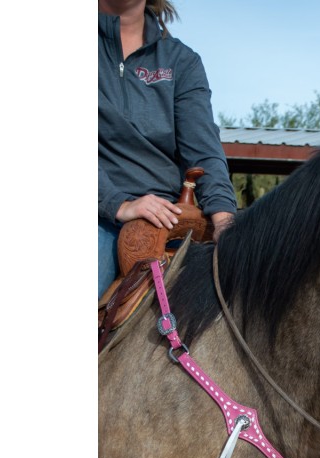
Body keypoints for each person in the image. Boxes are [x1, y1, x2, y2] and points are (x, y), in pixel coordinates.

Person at [98, 0, 237, 298]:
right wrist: (119, 204)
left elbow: (203, 148)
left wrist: (225, 221)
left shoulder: (181, 61)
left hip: (166, 215)